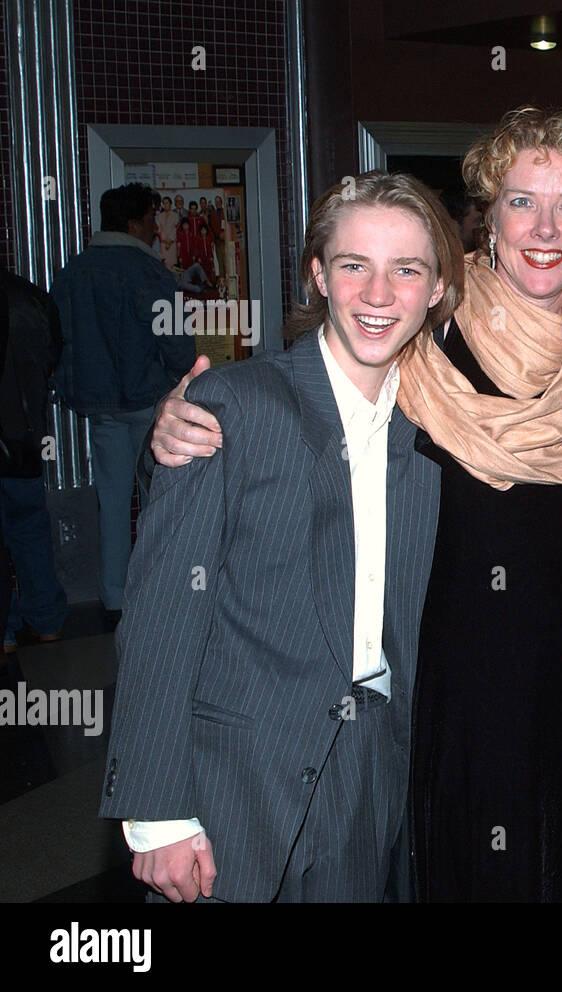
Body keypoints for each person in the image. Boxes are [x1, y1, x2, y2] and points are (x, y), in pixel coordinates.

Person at [149, 107, 562, 902]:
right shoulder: (429, 343)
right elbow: (306, 393)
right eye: (522, 201)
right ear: (486, 221)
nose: (546, 227)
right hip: (453, 700)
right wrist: (183, 419)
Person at [100, 171, 463, 902]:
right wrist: (157, 811)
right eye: (355, 265)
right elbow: (164, 609)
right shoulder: (235, 404)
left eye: (407, 269)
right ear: (318, 276)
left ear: (437, 291)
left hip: (371, 773)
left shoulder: (442, 432)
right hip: (235, 774)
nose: (379, 293)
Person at [51, 183, 194, 626]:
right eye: (151, 220)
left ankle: (114, 596)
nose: (156, 228)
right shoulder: (149, 274)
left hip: (98, 404)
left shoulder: (74, 271)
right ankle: (162, 592)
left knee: (111, 500)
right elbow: (176, 343)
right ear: (134, 224)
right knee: (161, 499)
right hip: (148, 400)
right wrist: (184, 376)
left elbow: (59, 340)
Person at [0, 270, 68, 653]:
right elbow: (53, 354)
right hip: (25, 434)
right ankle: (47, 622)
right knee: (31, 530)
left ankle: (6, 630)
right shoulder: (30, 297)